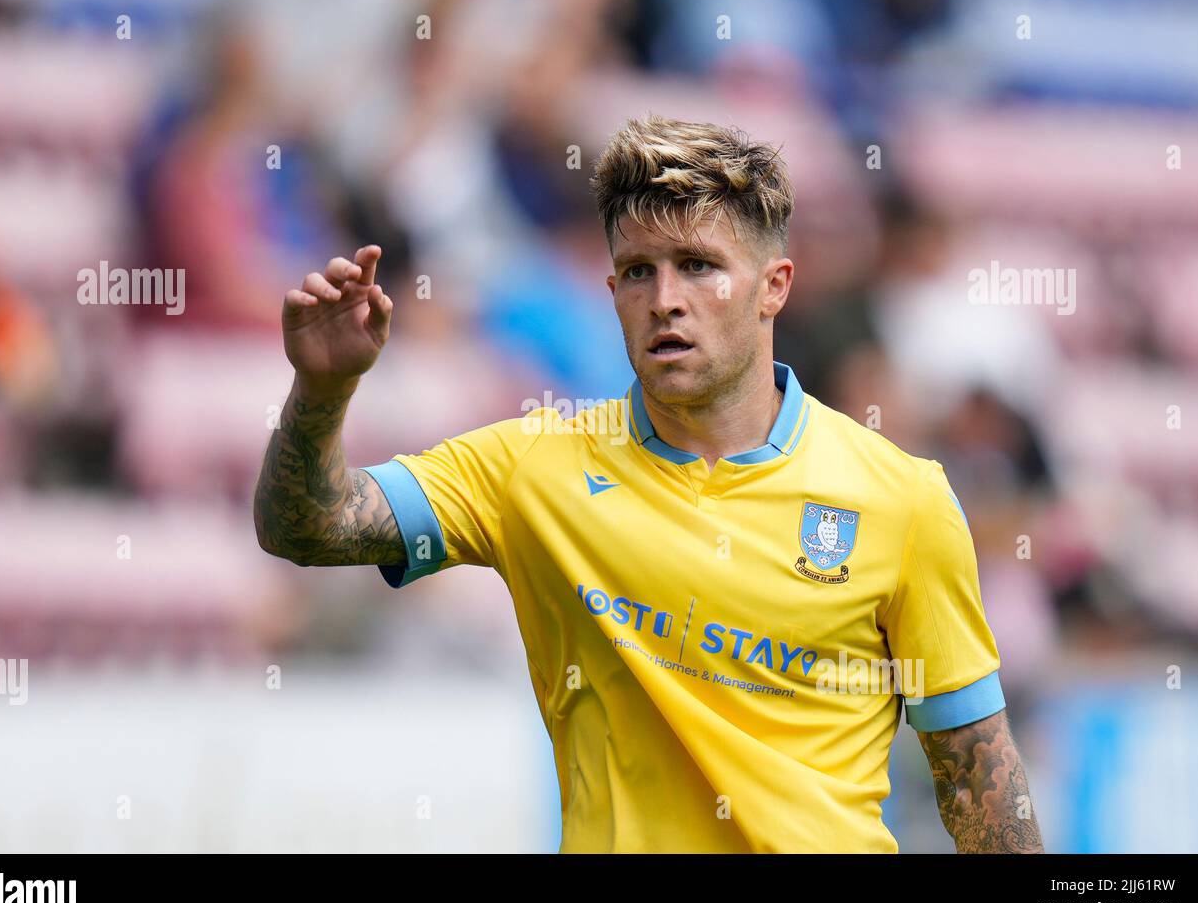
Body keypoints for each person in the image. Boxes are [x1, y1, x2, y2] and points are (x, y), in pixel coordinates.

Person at [253, 114, 1044, 853]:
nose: (665, 300)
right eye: (639, 272)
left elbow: (976, 771)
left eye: (699, 266)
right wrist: (323, 393)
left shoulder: (902, 499)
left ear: (775, 285)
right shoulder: (532, 467)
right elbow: (307, 528)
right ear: (613, 295)